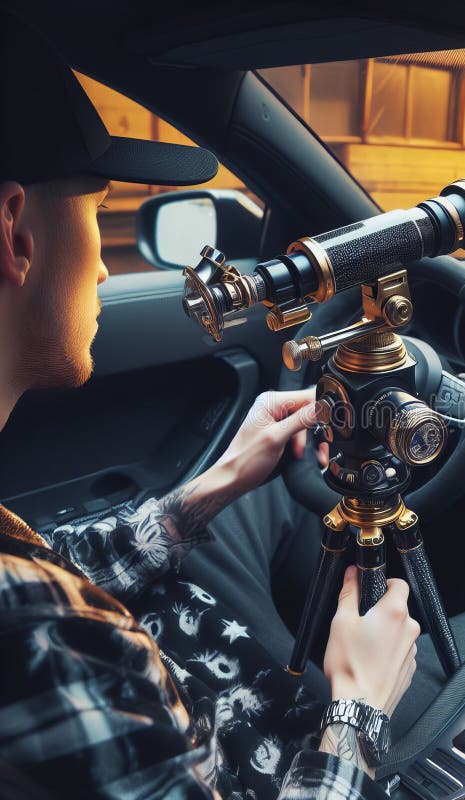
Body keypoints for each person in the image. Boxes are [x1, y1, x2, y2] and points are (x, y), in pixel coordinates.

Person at [0, 11, 420, 799]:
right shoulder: (34, 627)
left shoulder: (28, 598)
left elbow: (51, 571)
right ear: (16, 234)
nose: (99, 272)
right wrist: (360, 708)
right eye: (95, 212)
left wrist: (211, 488)